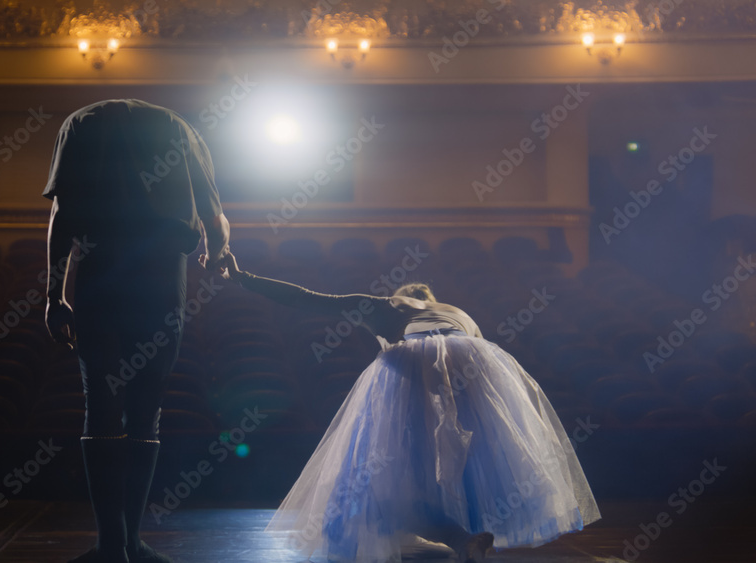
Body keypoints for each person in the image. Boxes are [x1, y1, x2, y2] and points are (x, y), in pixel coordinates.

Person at [216, 252, 600, 563]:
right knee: (471, 461)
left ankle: (451, 533)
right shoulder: (459, 312)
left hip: (416, 357)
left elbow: (306, 298)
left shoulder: (386, 304)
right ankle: (465, 532)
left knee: (390, 470)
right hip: (476, 356)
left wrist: (242, 277)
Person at [43, 99, 231, 563]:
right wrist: (221, 248)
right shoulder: (181, 128)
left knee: (101, 409)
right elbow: (213, 210)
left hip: (100, 269)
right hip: (163, 275)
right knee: (146, 411)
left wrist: (53, 295)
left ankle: (113, 544)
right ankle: (130, 541)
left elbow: (62, 215)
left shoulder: (80, 123)